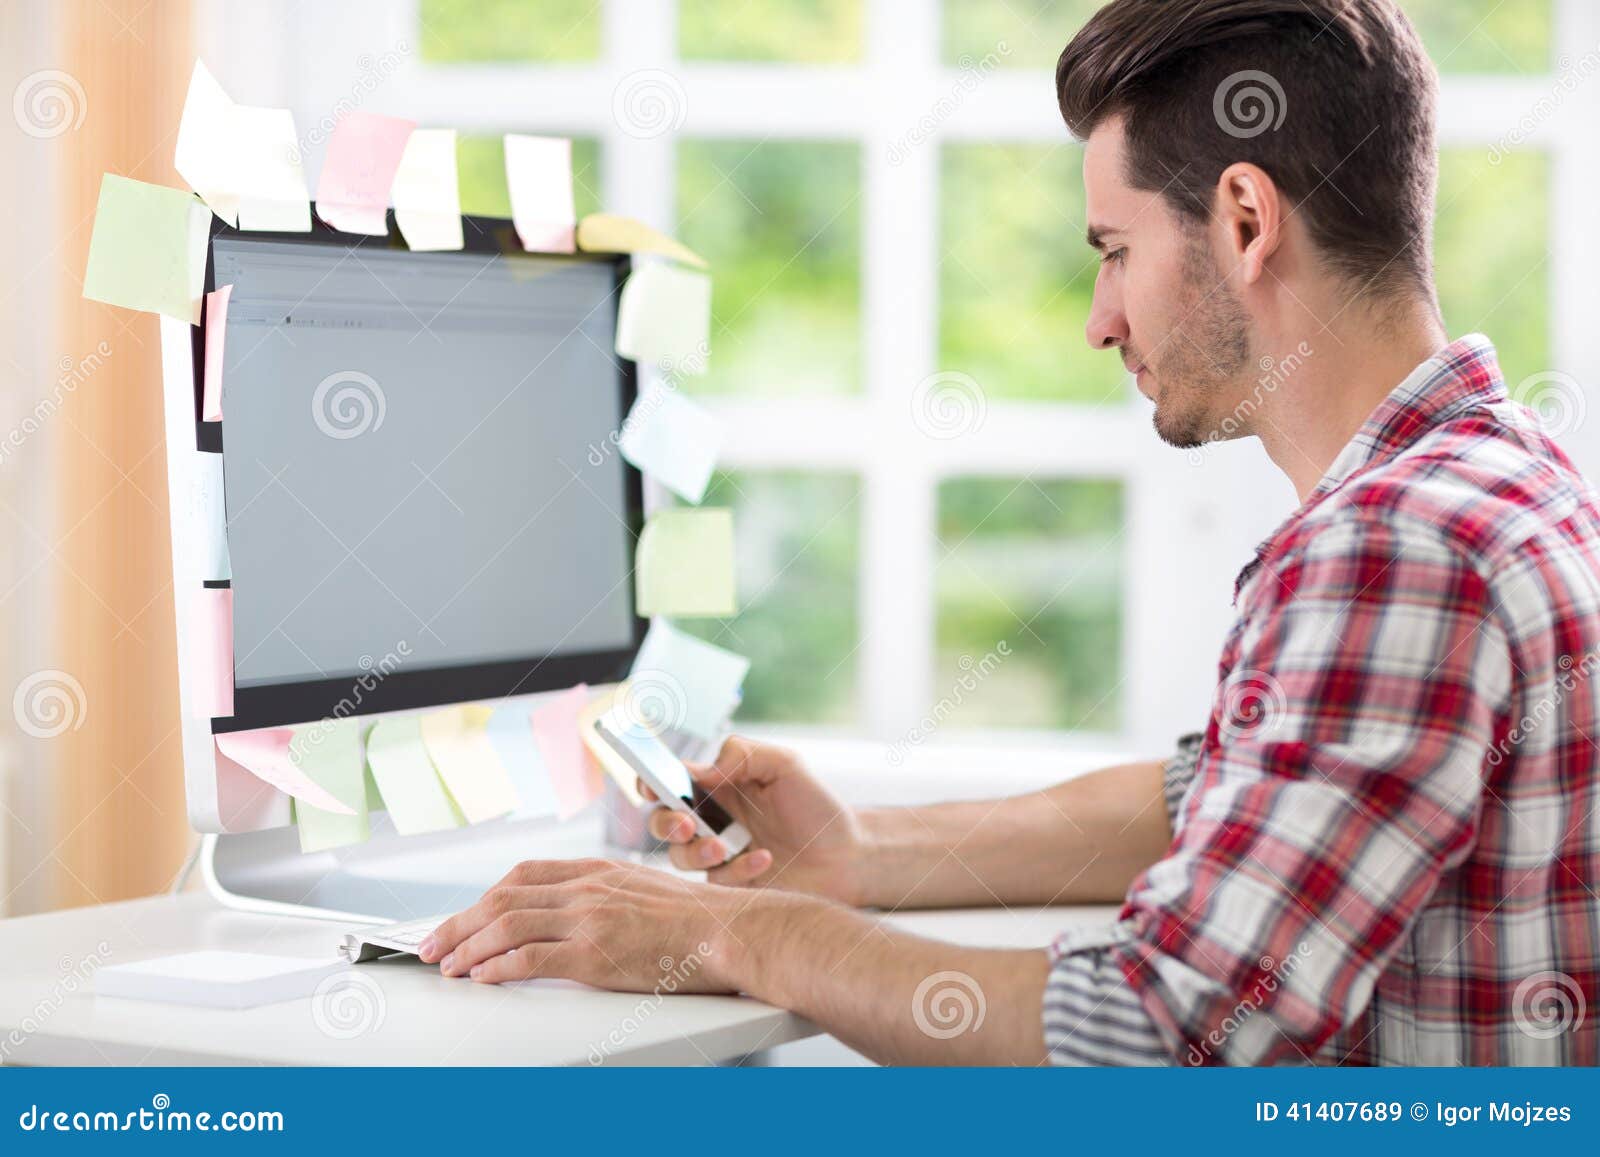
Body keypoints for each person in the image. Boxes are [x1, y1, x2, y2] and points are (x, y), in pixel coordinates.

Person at [419, 0, 1600, 1065]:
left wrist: (736, 929)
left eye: (1114, 253)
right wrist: (865, 849)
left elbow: (1156, 1033)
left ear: (1244, 219)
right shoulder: (1503, 474)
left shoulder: (1393, 550)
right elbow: (1235, 798)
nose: (1099, 320)